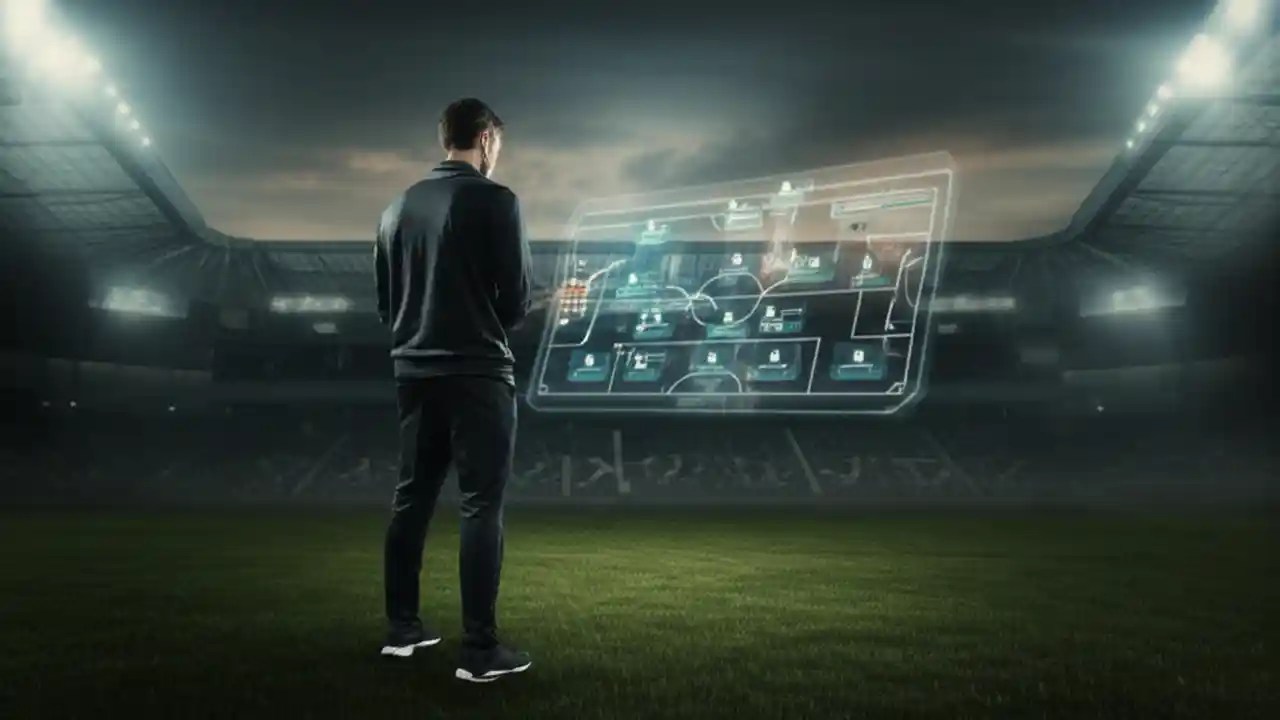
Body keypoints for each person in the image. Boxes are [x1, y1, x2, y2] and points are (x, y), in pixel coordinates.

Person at [374, 97, 533, 683]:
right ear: (486, 138)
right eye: (499, 144)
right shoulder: (497, 200)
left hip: (413, 372)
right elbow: (515, 305)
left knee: (412, 496)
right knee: (480, 503)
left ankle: (402, 630)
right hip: (478, 372)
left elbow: (387, 305)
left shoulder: (394, 209)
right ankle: (479, 650)